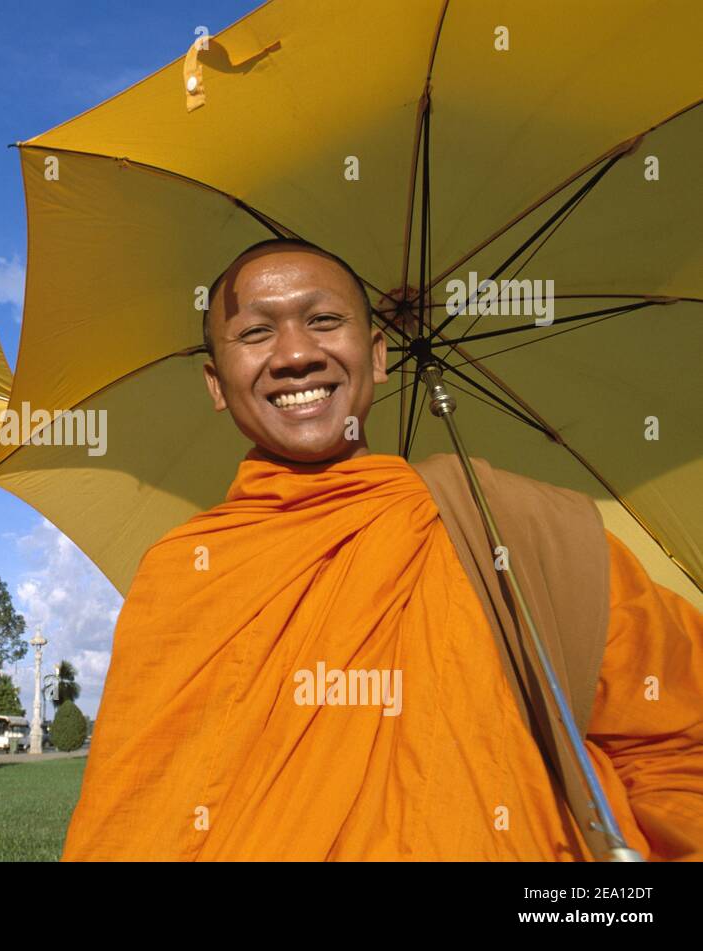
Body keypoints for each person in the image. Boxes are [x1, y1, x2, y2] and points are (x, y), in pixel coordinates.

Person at [62, 239, 703, 861]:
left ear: (377, 355)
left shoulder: (524, 528)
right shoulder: (184, 572)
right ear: (215, 383)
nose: (293, 355)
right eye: (255, 333)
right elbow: (139, 815)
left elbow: (677, 744)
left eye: (323, 320)